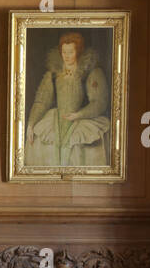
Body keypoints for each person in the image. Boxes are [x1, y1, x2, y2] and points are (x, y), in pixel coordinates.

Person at [24, 31, 111, 168]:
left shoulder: (90, 73)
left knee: (77, 157)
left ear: (78, 51)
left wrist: (79, 115)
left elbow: (99, 102)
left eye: (71, 52)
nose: (67, 56)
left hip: (81, 121)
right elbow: (41, 101)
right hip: (55, 122)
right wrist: (31, 124)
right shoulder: (52, 75)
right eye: (64, 52)